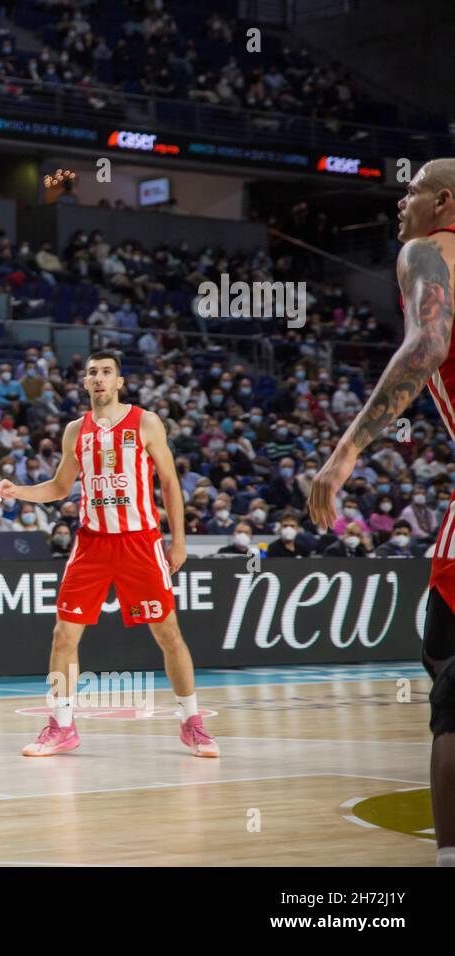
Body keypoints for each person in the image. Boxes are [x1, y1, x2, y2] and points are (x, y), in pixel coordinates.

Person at [310, 159, 455, 867]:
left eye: (414, 191)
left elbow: (429, 343)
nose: (402, 201)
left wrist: (344, 454)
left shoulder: (428, 249)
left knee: (449, 686)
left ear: (444, 202)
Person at [0, 351, 218, 758]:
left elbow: (169, 483)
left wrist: (179, 539)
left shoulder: (145, 422)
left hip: (140, 541)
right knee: (63, 635)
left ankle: (192, 723)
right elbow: (61, 488)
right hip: (92, 543)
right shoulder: (75, 430)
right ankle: (61, 726)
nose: (99, 378)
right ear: (84, 383)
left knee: (168, 634)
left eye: (106, 372)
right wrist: (19, 491)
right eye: (92, 373)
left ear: (119, 381)